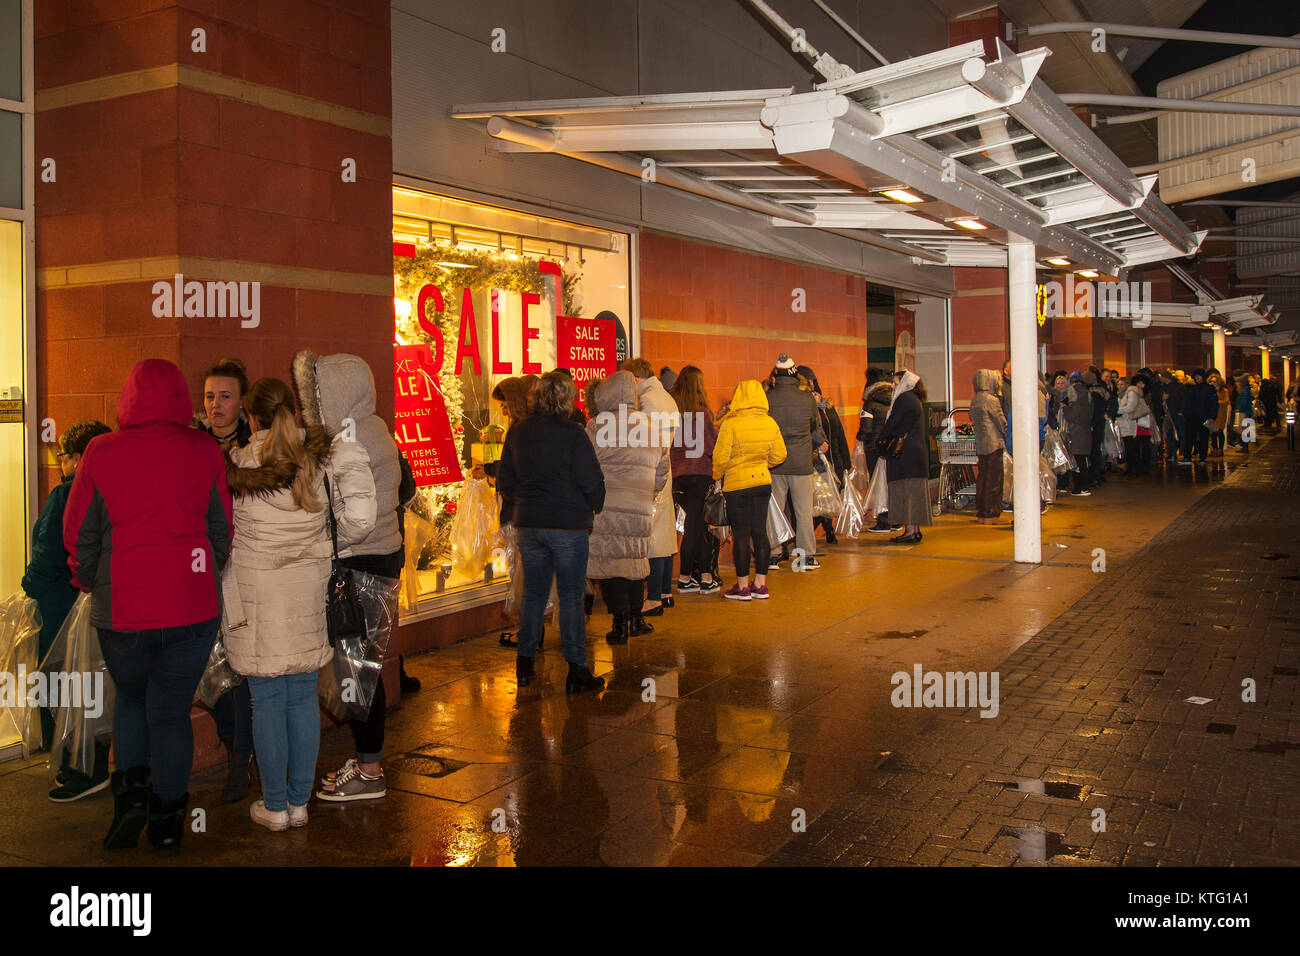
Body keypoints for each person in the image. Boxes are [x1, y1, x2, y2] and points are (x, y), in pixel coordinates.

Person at [63, 359, 232, 855]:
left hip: (123, 611)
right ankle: (168, 822)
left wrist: (89, 580)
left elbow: (77, 533)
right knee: (172, 714)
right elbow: (221, 531)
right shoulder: (203, 448)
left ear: (127, 398)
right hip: (192, 609)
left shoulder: (100, 451)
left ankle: (130, 802)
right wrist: (201, 572)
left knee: (132, 703)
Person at [292, 351, 409, 806]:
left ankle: (370, 770)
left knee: (359, 671)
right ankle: (366, 760)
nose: (308, 408)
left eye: (314, 396)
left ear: (335, 394)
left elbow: (353, 516)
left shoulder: (351, 438)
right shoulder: (371, 427)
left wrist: (327, 533)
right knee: (362, 667)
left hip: (360, 562)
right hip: (377, 557)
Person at [224, 377, 333, 832]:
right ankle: (299, 803)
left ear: (251, 418)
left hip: (260, 599)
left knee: (266, 701)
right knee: (302, 698)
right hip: (306, 592)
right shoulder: (312, 466)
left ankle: (274, 806)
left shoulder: (240, 465)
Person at [497, 370, 606, 693]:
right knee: (570, 597)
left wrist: (528, 502)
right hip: (568, 525)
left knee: (533, 594)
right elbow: (591, 480)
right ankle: (576, 669)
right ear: (567, 400)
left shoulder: (518, 432)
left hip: (529, 524)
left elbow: (506, 481)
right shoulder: (574, 434)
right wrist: (593, 504)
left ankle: (524, 664)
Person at [23, 420, 112, 801]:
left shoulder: (66, 494)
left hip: (61, 607)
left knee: (63, 688)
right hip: (100, 605)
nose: (59, 462)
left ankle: (78, 769)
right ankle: (95, 764)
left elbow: (49, 554)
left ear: (77, 457)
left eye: (62, 455)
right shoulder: (113, 490)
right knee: (95, 689)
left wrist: (27, 586)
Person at [198, 357, 257, 803]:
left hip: (244, 570)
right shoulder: (190, 444)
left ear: (242, 403)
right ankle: (235, 739)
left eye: (225, 397)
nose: (215, 405)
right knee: (208, 667)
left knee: (241, 668)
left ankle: (241, 755)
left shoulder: (255, 447)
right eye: (209, 396)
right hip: (198, 570)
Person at [586, 371, 667, 643]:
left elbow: (584, 465)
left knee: (610, 563)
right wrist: (648, 495)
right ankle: (636, 619)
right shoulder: (651, 426)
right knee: (636, 561)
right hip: (640, 505)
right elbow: (662, 469)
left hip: (606, 507)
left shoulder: (597, 425)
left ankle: (619, 623)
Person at [712, 380, 786, 600]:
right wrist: (762, 463)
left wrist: (717, 475)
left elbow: (720, 457)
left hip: (737, 485)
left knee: (741, 536)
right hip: (763, 482)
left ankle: (742, 586)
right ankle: (760, 584)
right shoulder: (770, 423)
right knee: (760, 532)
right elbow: (780, 455)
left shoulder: (730, 424)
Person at [622, 358, 678, 615]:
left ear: (634, 379)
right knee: (664, 532)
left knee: (652, 536)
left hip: (649, 472)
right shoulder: (666, 397)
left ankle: (653, 597)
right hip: (664, 468)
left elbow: (639, 441)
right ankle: (665, 591)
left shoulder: (646, 401)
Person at [765, 353, 824, 570]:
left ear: (775, 377)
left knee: (774, 510)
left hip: (775, 463)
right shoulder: (807, 398)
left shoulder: (768, 398)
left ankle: (772, 555)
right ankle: (806, 557)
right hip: (801, 464)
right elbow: (813, 427)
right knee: (803, 511)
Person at [668, 366, 720, 595]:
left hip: (678, 477)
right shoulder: (702, 413)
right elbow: (711, 446)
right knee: (696, 528)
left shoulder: (673, 413)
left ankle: (693, 577)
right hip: (700, 474)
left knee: (693, 526)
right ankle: (696, 577)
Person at [876, 371, 931, 544]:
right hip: (915, 456)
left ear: (904, 383)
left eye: (895, 382)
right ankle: (914, 530)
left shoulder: (904, 399)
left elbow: (892, 423)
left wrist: (880, 438)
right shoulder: (914, 399)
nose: (892, 386)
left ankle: (909, 531)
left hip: (904, 456)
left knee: (904, 492)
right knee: (913, 493)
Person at [798, 365, 850, 546]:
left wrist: (845, 459)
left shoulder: (826, 405)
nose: (812, 384)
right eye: (808, 380)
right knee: (818, 497)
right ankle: (811, 536)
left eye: (813, 380)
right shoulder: (806, 405)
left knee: (827, 495)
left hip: (832, 458)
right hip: (815, 458)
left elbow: (839, 433)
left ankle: (828, 529)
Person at [859, 367, 896, 534]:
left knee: (877, 485)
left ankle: (883, 521)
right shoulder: (895, 402)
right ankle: (896, 520)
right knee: (891, 484)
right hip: (892, 448)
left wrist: (860, 439)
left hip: (874, 448)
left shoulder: (870, 405)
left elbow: (866, 429)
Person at [970, 370, 1006, 525]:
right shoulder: (991, 399)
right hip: (994, 443)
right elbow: (1001, 422)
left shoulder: (976, 399)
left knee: (983, 478)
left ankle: (982, 512)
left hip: (982, 443)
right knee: (994, 480)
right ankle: (991, 513)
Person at [1061, 372, 1093, 496]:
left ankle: (1083, 487)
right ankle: (1083, 486)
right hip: (1085, 433)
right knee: (1083, 462)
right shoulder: (1088, 402)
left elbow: (1070, 417)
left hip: (1077, 434)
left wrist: (1064, 407)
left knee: (1079, 462)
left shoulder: (1078, 403)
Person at [1119, 374, 1153, 477]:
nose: (1140, 385)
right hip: (1136, 421)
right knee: (1136, 446)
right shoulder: (1131, 392)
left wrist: (1118, 411)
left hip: (1139, 421)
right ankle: (1138, 467)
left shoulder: (1133, 392)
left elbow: (1131, 406)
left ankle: (1137, 468)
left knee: (1138, 446)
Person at [1183, 369, 1218, 464]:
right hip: (1193, 417)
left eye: (1199, 376)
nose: (1197, 378)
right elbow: (1187, 403)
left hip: (1204, 417)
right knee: (1191, 437)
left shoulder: (1209, 389)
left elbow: (1214, 404)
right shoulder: (1192, 388)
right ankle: (1188, 456)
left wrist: (1212, 417)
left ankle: (1202, 457)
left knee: (1203, 438)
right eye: (1196, 376)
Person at [1158, 370, 1187, 466]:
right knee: (1169, 433)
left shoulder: (1177, 387)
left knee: (1180, 433)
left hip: (1175, 413)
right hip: (1168, 413)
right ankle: (1173, 454)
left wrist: (1180, 411)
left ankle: (1185, 455)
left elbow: (1183, 399)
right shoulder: (1166, 387)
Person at [1208, 370, 1229, 457]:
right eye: (1211, 381)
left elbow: (1226, 401)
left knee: (1220, 431)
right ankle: (1214, 449)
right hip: (1212, 414)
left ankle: (1220, 449)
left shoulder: (1224, 391)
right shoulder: (1210, 391)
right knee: (1213, 432)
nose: (1213, 383)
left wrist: (1217, 402)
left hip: (1220, 414)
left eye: (1215, 381)